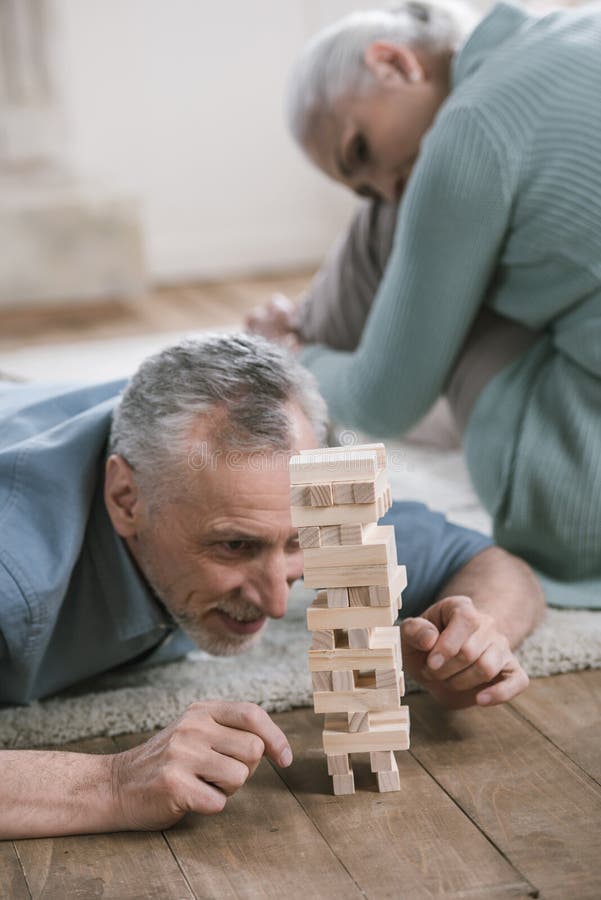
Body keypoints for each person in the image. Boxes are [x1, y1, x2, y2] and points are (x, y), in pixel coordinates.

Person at [0, 333, 543, 839]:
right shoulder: (16, 575)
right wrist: (112, 783)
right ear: (126, 500)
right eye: (235, 546)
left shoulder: (276, 483)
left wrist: (475, 636)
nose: (280, 603)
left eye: (297, 542)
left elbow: (492, 563)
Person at [248, 0, 601, 610]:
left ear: (392, 62)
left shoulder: (474, 125)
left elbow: (383, 400)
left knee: (386, 235)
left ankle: (275, 368)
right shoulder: (580, 25)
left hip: (579, 506)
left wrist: (299, 355)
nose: (386, 186)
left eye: (359, 152)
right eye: (362, 188)